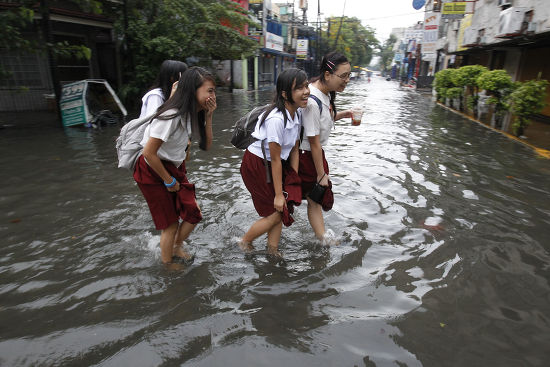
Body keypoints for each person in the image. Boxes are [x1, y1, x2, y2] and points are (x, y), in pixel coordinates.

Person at [133, 67, 216, 264]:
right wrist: (169, 182)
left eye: (214, 90)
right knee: (170, 224)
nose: (214, 95)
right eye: (210, 90)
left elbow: (207, 145)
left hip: (175, 167)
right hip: (153, 169)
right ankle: (168, 264)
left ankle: (176, 246)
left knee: (193, 213)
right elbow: (149, 153)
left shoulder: (192, 112)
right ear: (192, 91)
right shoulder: (171, 115)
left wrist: (210, 115)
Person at [239, 68, 310, 258]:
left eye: (306, 86)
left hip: (275, 165)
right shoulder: (276, 119)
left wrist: (292, 180)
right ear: (285, 94)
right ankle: (245, 241)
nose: (306, 91)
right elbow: (276, 157)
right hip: (257, 165)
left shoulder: (297, 113)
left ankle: (272, 249)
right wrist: (279, 194)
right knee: (276, 211)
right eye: (299, 88)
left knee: (282, 208)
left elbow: (295, 148)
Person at [299, 52, 354, 244]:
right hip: (306, 154)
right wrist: (321, 174)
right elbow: (313, 140)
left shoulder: (324, 94)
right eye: (343, 76)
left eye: (349, 75)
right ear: (328, 75)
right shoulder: (312, 100)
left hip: (312, 153)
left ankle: (321, 237)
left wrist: (344, 114)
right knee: (314, 198)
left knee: (313, 199)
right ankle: (322, 238)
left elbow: (321, 123)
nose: (347, 80)